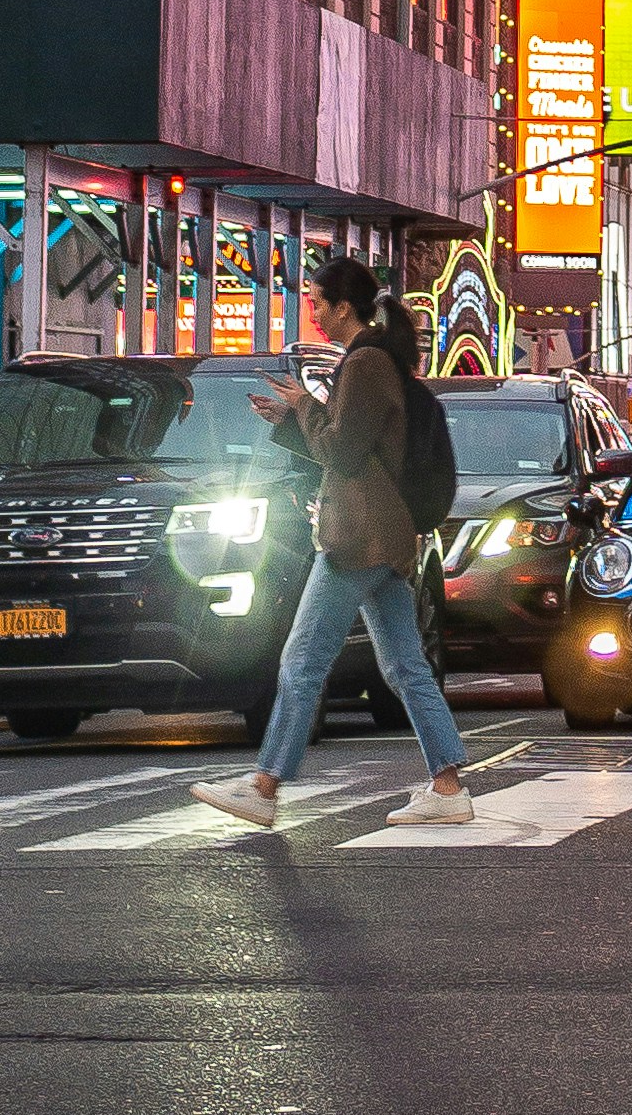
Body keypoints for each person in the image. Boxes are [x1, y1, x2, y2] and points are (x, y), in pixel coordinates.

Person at [192, 252, 470, 833]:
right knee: (405, 666)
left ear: (344, 307)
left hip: (358, 536)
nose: (313, 312)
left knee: (302, 662)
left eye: (318, 302)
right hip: (382, 530)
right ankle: (448, 784)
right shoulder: (369, 359)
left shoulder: (364, 363)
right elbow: (354, 450)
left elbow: (343, 451)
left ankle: (266, 784)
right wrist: (293, 420)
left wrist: (304, 407)